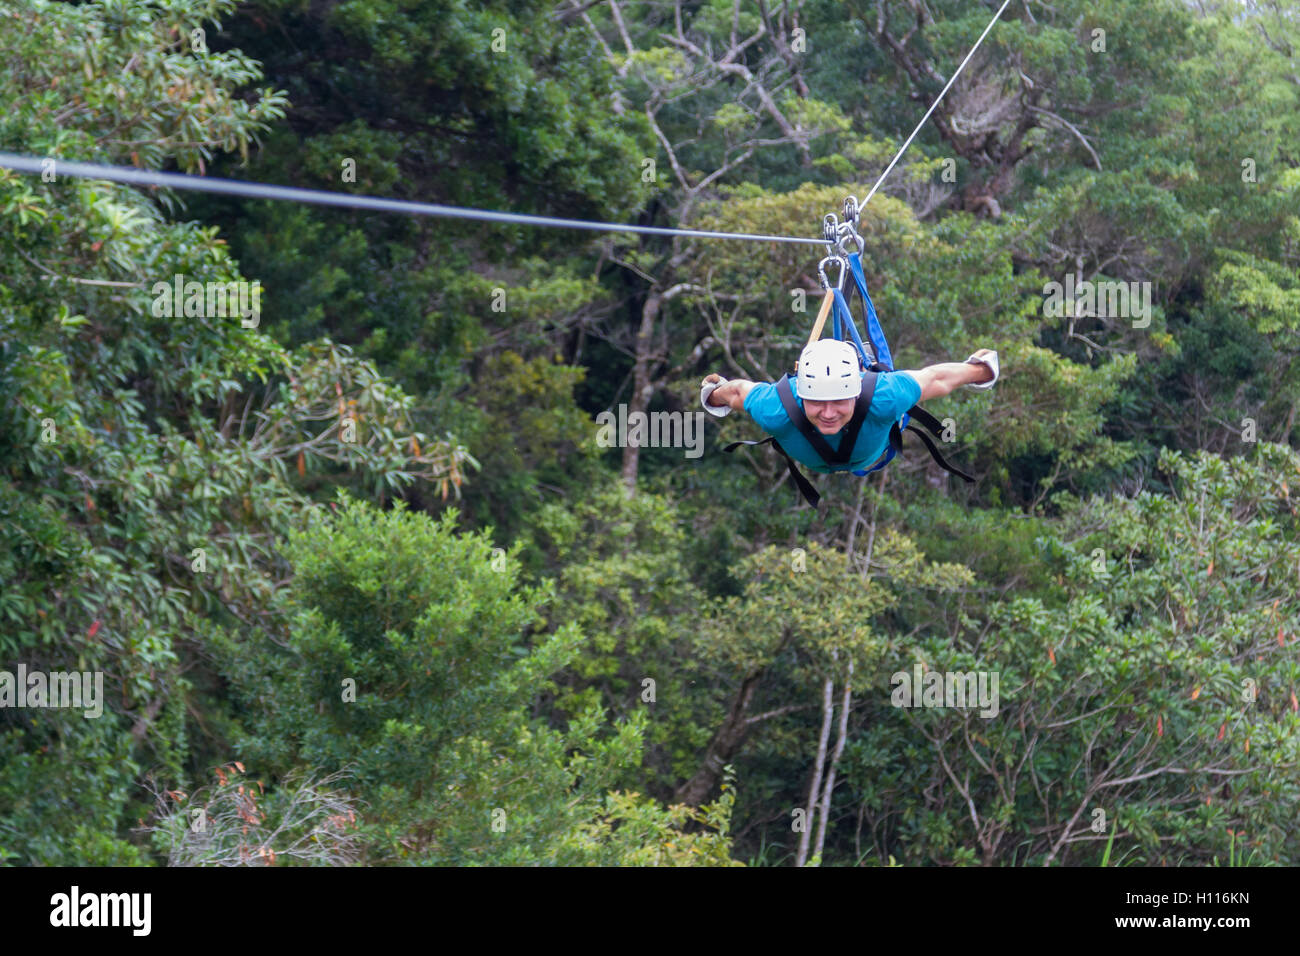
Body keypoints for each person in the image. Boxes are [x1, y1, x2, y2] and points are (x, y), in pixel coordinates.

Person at [700, 339, 998, 483]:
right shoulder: (778, 408)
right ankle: (861, 360)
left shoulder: (883, 396)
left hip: (869, 435)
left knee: (889, 391)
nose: (828, 413)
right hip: (854, 448)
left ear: (855, 392)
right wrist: (713, 396)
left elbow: (936, 378)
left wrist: (980, 371)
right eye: (817, 402)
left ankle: (864, 362)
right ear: (801, 396)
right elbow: (738, 392)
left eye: (839, 401)